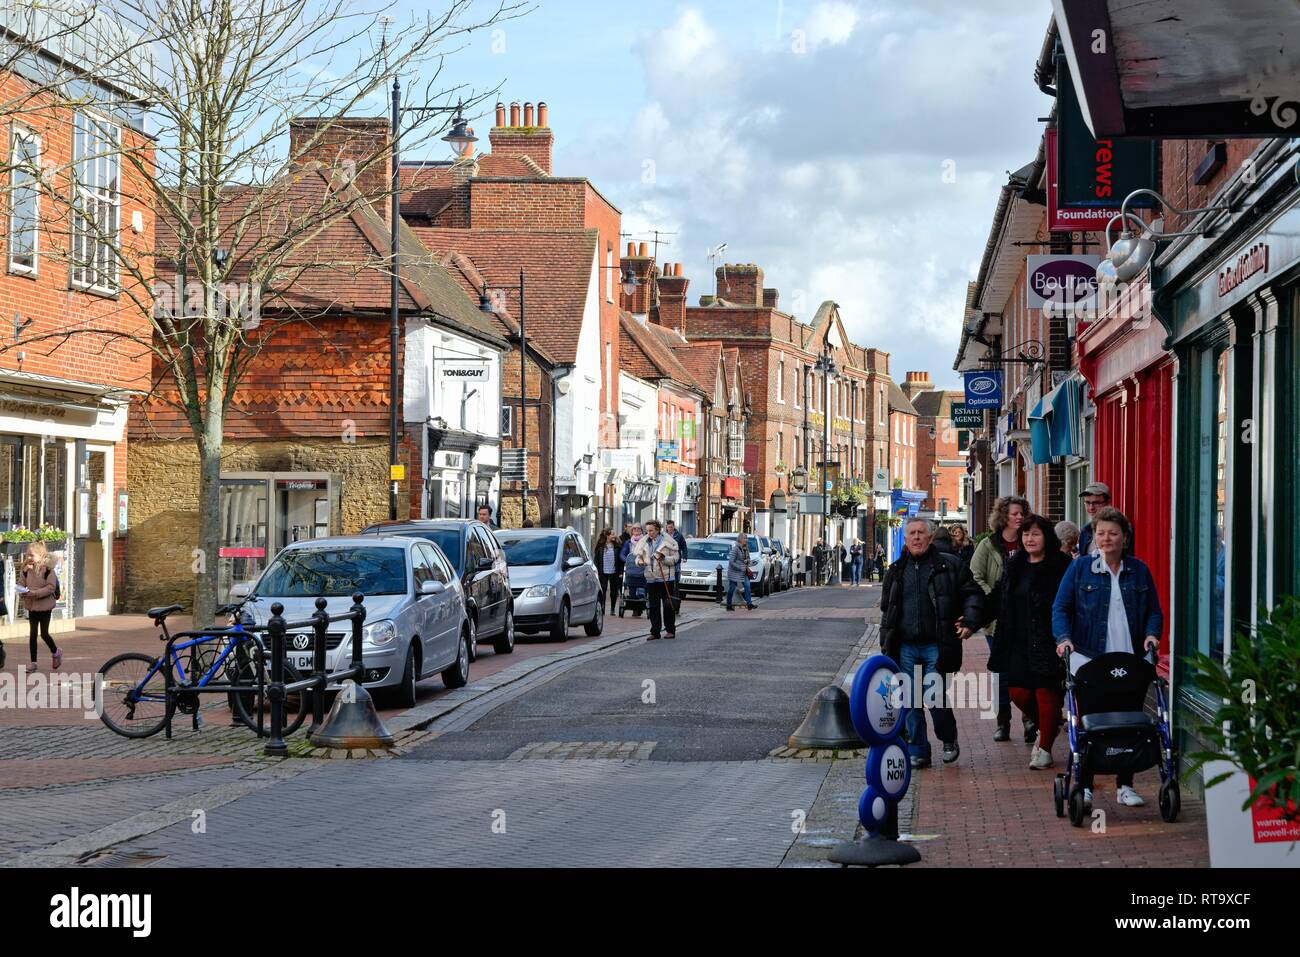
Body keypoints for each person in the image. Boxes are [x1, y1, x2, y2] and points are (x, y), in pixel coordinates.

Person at [1053, 506, 1162, 808]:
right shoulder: (1081, 568)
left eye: (1113, 533)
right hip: (1089, 661)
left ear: (1125, 537)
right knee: (1090, 725)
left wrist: (1152, 635)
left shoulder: (1138, 570)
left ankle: (1125, 786)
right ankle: (1084, 786)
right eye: (1101, 533)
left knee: (1126, 723)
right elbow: (1060, 607)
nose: (1106, 538)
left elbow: (1154, 610)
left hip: (1130, 660)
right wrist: (1063, 640)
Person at [880, 518, 984, 768]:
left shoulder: (950, 566)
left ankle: (948, 739)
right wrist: (886, 643)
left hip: (936, 644)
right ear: (905, 540)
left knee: (934, 694)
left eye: (921, 533)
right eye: (911, 534)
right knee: (910, 701)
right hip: (904, 645)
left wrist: (970, 620)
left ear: (930, 537)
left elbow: (973, 593)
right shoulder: (895, 571)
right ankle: (918, 750)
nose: (916, 538)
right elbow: (887, 609)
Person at [984, 514, 1070, 770]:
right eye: (1025, 534)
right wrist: (970, 620)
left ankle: (1044, 749)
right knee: (1018, 692)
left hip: (1049, 640)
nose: (1029, 539)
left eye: (1035, 534)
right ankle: (1049, 726)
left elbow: (1068, 604)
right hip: (1017, 640)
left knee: (1046, 692)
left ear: (1046, 537)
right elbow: (998, 597)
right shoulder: (1015, 565)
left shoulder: (1062, 565)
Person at [969, 494, 1030, 743]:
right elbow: (975, 575)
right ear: (1003, 516)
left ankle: (1030, 721)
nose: (1019, 518)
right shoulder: (989, 544)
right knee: (1001, 673)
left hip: (1026, 619)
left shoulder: (1030, 541)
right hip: (997, 621)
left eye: (1022, 514)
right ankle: (1003, 722)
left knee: (1028, 671)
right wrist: (994, 599)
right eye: (1014, 513)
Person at [19, 542, 62, 671]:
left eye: (32, 555)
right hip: (32, 607)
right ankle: (33, 663)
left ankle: (56, 652)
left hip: (45, 607)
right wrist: (22, 592)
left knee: (44, 633)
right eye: (28, 555)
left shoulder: (48, 570)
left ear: (41, 555)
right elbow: (21, 584)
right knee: (32, 634)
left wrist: (35, 593)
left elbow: (51, 587)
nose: (29, 557)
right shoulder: (26, 570)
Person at [637, 520, 679, 640]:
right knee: (653, 606)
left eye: (651, 530)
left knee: (667, 605)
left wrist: (664, 558)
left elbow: (676, 558)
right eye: (647, 530)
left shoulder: (669, 542)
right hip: (651, 578)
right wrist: (639, 562)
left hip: (666, 578)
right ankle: (655, 631)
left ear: (658, 530)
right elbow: (638, 556)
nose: (648, 533)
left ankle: (670, 630)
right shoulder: (644, 542)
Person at [1076, 482, 1135, 557]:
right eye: (1087, 503)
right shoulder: (1085, 530)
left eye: (1096, 503)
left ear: (1108, 503)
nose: (1091, 507)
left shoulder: (1123, 527)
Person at [594, 528, 623, 615]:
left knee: (614, 591)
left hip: (615, 571)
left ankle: (613, 609)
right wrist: (596, 571)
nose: (615, 536)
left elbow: (620, 561)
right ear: (607, 535)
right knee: (603, 590)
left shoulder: (617, 546)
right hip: (603, 572)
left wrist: (621, 572)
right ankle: (602, 608)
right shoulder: (600, 545)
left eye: (614, 534)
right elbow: (596, 560)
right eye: (612, 534)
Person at [726, 532, 756, 611]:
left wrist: (748, 561)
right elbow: (731, 561)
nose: (746, 540)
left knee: (747, 586)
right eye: (744, 538)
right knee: (732, 588)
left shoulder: (746, 548)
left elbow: (749, 559)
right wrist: (739, 567)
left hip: (744, 572)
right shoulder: (735, 548)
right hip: (734, 572)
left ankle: (749, 604)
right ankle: (728, 605)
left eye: (746, 538)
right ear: (740, 539)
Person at [665, 520, 688, 602]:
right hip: (666, 562)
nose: (670, 528)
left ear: (674, 527)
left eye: (671, 527)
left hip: (676, 562)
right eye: (668, 527)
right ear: (666, 527)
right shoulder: (663, 536)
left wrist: (685, 556)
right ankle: (668, 599)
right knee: (667, 581)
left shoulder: (679, 536)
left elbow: (684, 546)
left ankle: (676, 600)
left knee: (675, 582)